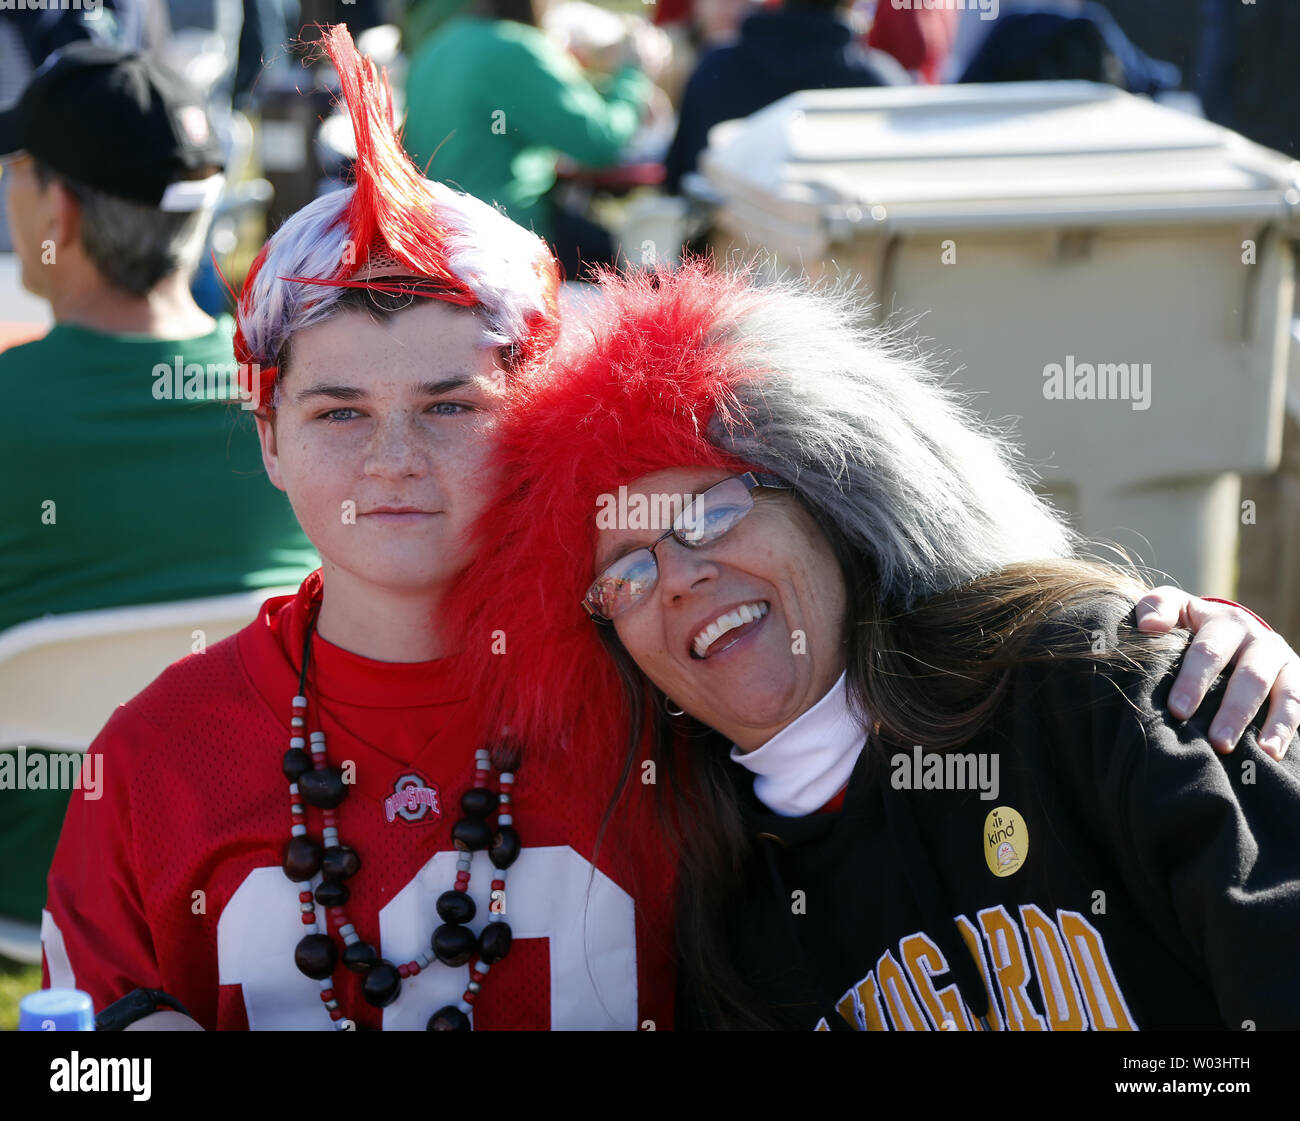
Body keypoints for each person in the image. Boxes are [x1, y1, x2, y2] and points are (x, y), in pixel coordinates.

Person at [446, 262, 1300, 1030]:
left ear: (831, 508)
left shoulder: (1094, 684)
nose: (677, 577)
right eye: (627, 573)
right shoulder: (723, 918)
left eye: (708, 511)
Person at [39, 26, 675, 1031]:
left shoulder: (666, 703)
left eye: (450, 406)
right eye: (339, 412)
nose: (393, 461)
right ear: (270, 440)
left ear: (536, 420)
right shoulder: (155, 755)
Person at [0, 44, 317, 934]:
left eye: (16, 171)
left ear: (58, 202)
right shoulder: (312, 403)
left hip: (36, 864)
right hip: (260, 844)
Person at [402, 0, 660, 277]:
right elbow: (600, 141)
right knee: (641, 262)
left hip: (434, 237)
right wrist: (633, 74)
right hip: (507, 237)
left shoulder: (435, 47)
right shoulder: (515, 46)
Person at [663, 0, 906, 195]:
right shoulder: (881, 84)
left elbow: (678, 180)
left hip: (729, 252)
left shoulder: (715, 69)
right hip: (851, 253)